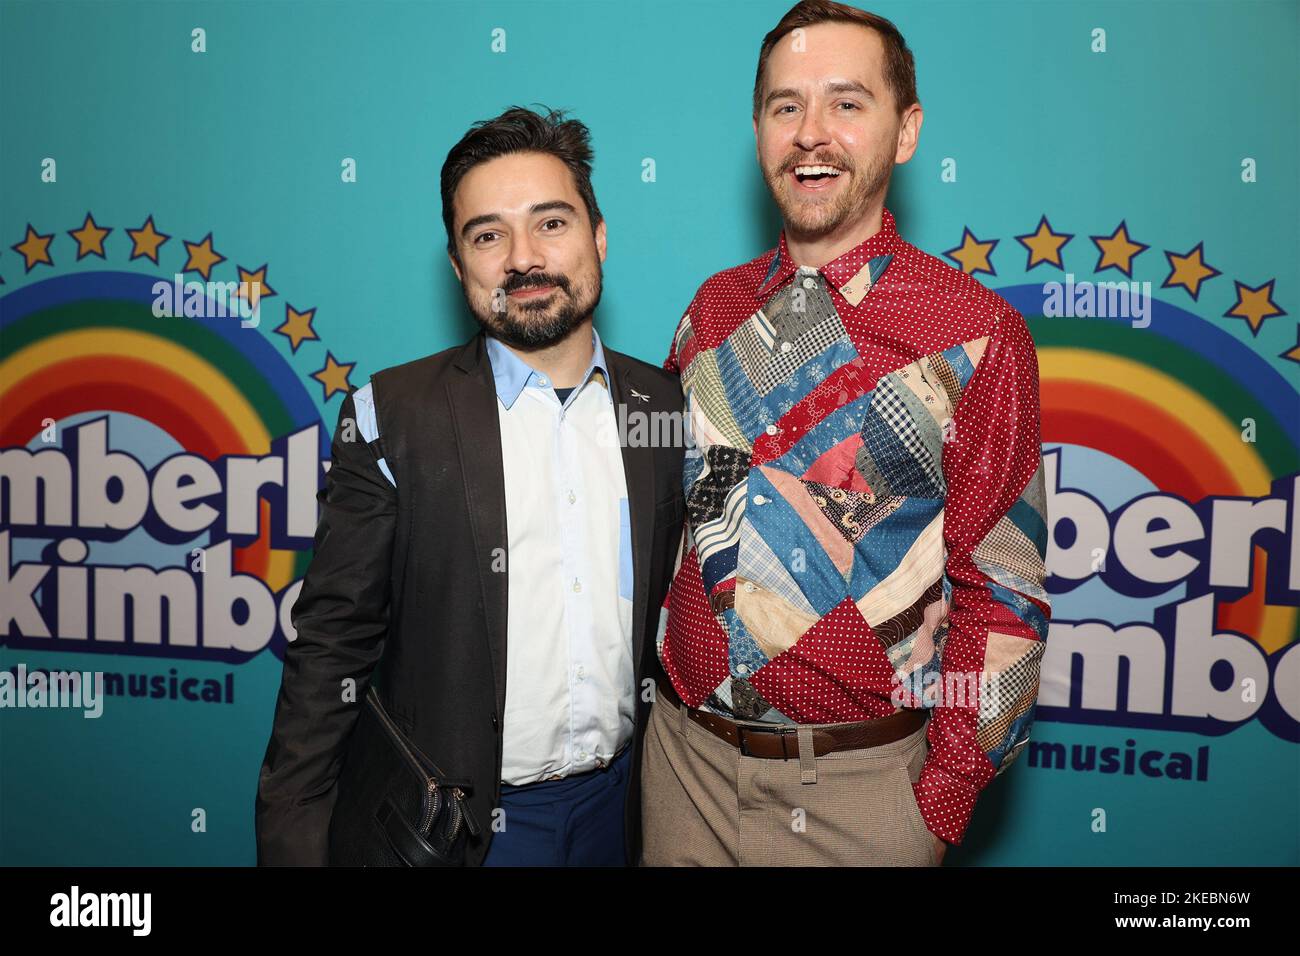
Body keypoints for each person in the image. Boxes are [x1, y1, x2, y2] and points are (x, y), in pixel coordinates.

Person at [641, 0, 1052, 866]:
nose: (810, 133)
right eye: (786, 105)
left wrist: (937, 803)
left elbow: (1004, 587)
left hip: (857, 797)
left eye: (847, 103)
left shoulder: (975, 333)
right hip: (680, 771)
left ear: (907, 131)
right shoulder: (711, 309)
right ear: (758, 129)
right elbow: (673, 520)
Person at [256, 106, 685, 867]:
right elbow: (331, 644)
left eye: (551, 223)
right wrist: (292, 837)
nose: (524, 258)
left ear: (598, 236)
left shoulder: (665, 408)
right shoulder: (391, 415)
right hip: (455, 831)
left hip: (627, 814)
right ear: (458, 266)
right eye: (488, 236)